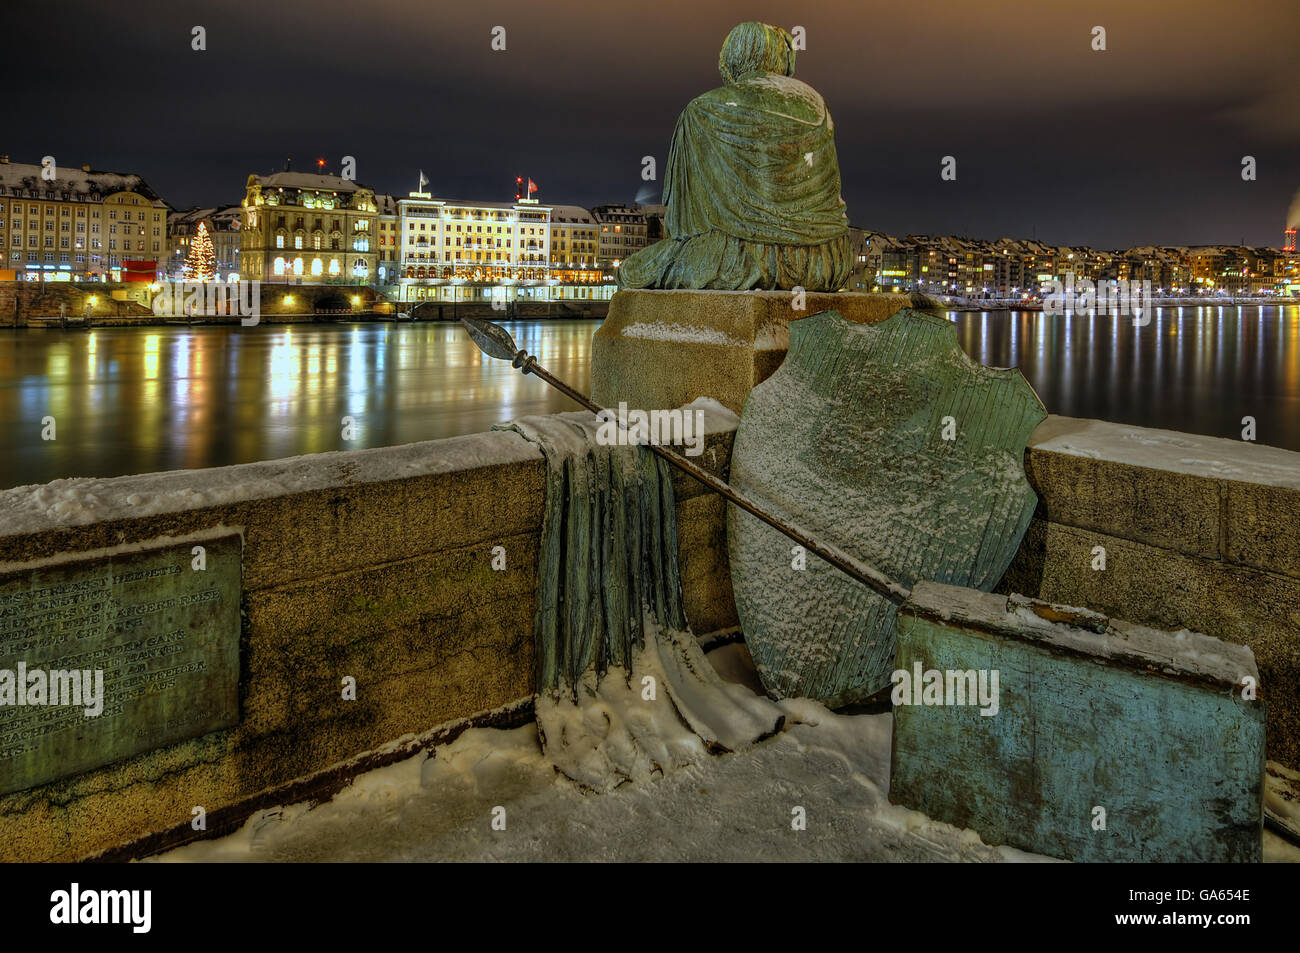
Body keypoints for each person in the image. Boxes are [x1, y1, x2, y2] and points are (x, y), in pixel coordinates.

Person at [617, 21, 852, 292]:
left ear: (733, 57)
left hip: (737, 261)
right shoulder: (817, 104)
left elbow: (684, 226)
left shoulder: (701, 110)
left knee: (632, 272)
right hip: (824, 264)